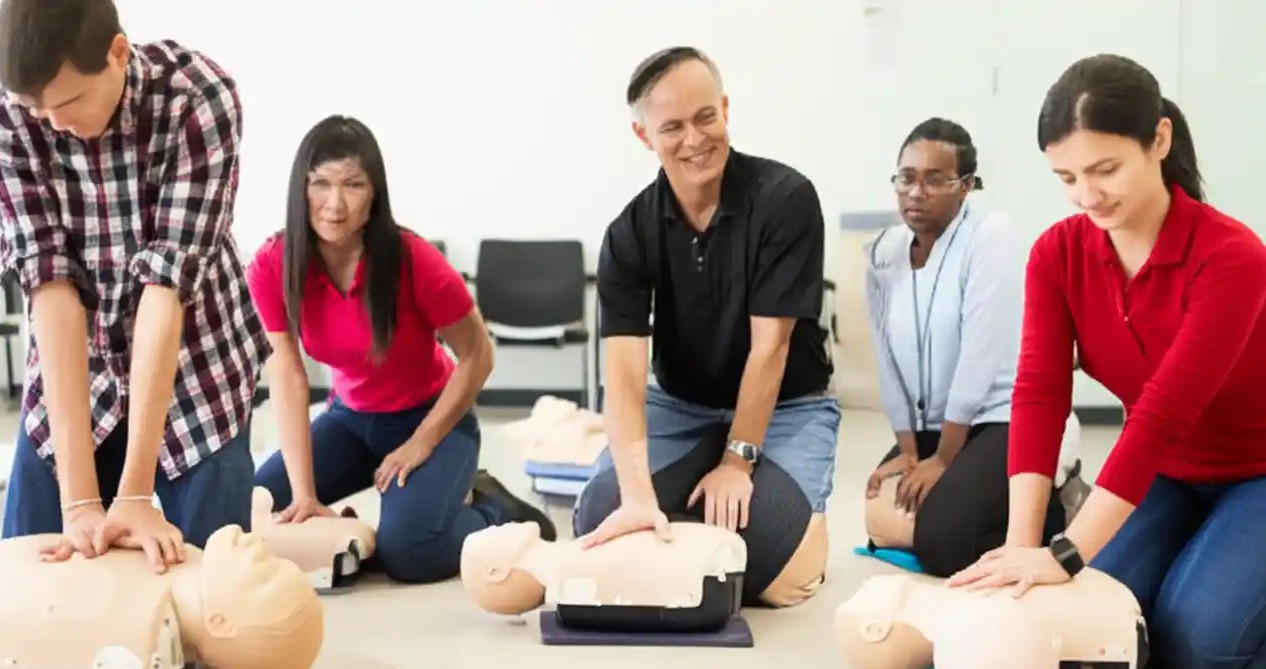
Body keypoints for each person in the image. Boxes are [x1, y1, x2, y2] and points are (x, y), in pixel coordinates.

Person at [948, 54, 1266, 669]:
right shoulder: (1057, 254)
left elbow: (1162, 414)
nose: (1087, 195)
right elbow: (1039, 392)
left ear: (1159, 141)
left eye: (1105, 169)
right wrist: (1022, 550)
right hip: (1170, 476)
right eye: (1066, 176)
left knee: (1199, 648)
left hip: (1256, 470)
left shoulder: (1233, 258)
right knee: (1103, 623)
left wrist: (1065, 553)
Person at [0, 0, 269, 571]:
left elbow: (164, 295)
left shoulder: (197, 99)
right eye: (33, 107)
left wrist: (135, 495)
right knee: (28, 583)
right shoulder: (3, 109)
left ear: (118, 53)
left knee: (209, 595)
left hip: (195, 367)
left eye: (67, 102)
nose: (51, 122)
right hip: (76, 369)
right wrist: (81, 501)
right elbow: (49, 285)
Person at [572, 46, 839, 606]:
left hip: (790, 404)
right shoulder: (629, 233)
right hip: (682, 405)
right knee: (600, 514)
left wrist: (736, 462)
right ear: (645, 137)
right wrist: (639, 494)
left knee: (771, 567)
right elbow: (622, 377)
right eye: (672, 127)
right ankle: (681, 496)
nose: (694, 140)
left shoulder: (786, 200)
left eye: (705, 118)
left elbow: (771, 349)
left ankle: (799, 525)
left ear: (724, 108)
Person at [246, 115, 555, 584]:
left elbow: (478, 355)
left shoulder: (414, 260)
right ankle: (359, 522)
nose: (334, 203)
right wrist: (306, 497)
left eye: (353, 184)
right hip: (349, 420)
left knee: (410, 554)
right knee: (260, 503)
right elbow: (288, 377)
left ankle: (493, 510)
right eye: (320, 183)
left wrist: (421, 442)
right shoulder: (273, 263)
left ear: (374, 195)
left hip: (431, 419)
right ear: (300, 189)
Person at [863, 118, 1065, 577]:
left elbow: (980, 354)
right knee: (884, 515)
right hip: (936, 426)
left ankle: (1054, 502)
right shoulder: (884, 250)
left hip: (1002, 417)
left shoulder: (990, 235)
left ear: (967, 186)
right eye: (907, 178)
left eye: (936, 180)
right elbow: (886, 358)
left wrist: (943, 459)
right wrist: (909, 450)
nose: (916, 192)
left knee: (943, 543)